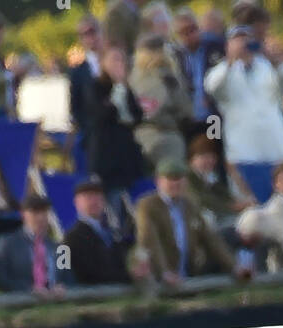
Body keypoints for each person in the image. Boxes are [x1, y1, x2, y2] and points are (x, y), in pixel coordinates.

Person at [134, 159, 244, 285]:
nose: (176, 183)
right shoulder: (147, 206)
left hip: (187, 275)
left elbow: (211, 240)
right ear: (158, 181)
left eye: (179, 178)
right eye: (171, 178)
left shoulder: (190, 205)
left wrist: (235, 268)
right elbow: (149, 240)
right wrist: (164, 273)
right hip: (160, 278)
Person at [204, 25, 283, 167]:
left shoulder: (269, 67)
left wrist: (275, 61)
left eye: (247, 40)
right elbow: (212, 87)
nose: (243, 45)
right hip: (242, 148)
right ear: (228, 46)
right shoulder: (222, 71)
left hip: (275, 145)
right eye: (238, 41)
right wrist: (231, 60)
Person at [88, 48, 147, 212]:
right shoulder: (96, 87)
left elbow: (137, 115)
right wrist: (116, 97)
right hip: (107, 156)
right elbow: (101, 115)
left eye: (121, 60)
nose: (119, 64)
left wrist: (122, 88)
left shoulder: (127, 88)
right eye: (114, 60)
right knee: (113, 204)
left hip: (127, 156)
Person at [129, 34, 194, 171]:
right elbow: (186, 111)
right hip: (168, 138)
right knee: (173, 179)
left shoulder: (130, 78)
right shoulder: (168, 77)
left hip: (138, 139)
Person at [65, 175, 144, 285]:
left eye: (98, 197)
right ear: (77, 202)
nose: (94, 202)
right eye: (88, 197)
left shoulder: (112, 233)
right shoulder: (72, 237)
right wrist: (129, 275)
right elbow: (87, 273)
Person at [0, 193, 66, 297]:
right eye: (35, 212)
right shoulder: (7, 243)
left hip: (58, 305)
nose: (41, 217)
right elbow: (0, 279)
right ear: (23, 214)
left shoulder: (60, 246)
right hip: (24, 307)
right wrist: (29, 290)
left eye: (44, 212)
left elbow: (69, 276)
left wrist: (63, 287)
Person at [185, 135, 248, 238]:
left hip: (221, 217)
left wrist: (239, 204)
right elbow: (200, 200)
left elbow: (224, 194)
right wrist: (231, 206)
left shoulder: (210, 176)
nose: (209, 161)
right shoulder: (187, 177)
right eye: (203, 156)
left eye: (212, 157)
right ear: (192, 157)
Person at [172, 8, 224, 134]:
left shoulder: (215, 47)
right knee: (196, 149)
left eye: (192, 29)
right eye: (183, 32)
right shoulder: (176, 56)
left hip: (213, 114)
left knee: (213, 143)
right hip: (190, 117)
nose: (189, 35)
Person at [69, 17, 104, 163]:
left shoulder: (116, 61)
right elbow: (75, 106)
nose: (90, 38)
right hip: (92, 132)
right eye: (84, 34)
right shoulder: (78, 71)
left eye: (92, 32)